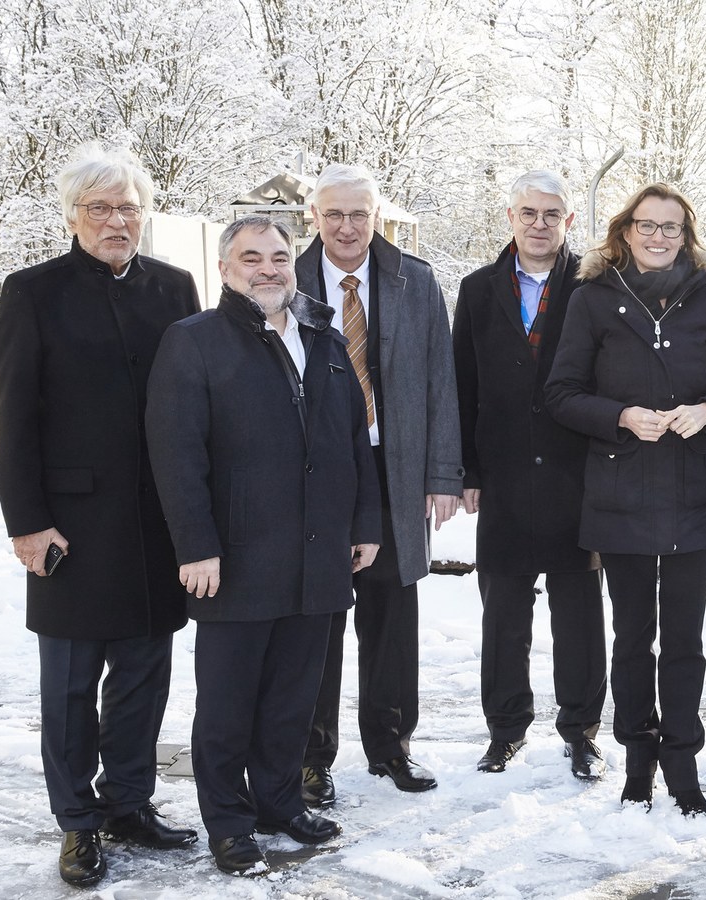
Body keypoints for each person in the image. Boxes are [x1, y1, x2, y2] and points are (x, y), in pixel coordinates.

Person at [0, 143, 199, 888]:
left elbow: (192, 401)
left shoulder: (176, 289)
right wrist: (27, 523)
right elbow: (12, 420)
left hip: (154, 526)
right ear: (73, 215)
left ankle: (129, 803)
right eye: (101, 208)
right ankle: (77, 823)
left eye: (129, 208)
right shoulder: (33, 292)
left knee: (145, 676)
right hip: (70, 530)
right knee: (72, 687)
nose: (117, 221)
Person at [146, 215, 381, 876]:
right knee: (228, 704)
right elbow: (175, 454)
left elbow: (350, 441)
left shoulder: (325, 338)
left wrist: (364, 523)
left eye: (279, 256)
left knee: (292, 696)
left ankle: (279, 801)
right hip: (235, 559)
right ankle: (230, 822)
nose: (269, 268)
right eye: (252, 257)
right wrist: (196, 546)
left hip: (317, 555)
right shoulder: (193, 342)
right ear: (225, 269)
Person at [545, 183, 706, 816]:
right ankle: (637, 759)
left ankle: (683, 760)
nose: (658, 237)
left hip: (693, 492)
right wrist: (621, 417)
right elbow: (561, 393)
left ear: (687, 237)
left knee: (684, 639)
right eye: (647, 225)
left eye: (671, 227)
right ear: (625, 232)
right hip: (620, 497)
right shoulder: (591, 300)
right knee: (632, 638)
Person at [294, 164, 464, 801]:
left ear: (376, 217)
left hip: (393, 470)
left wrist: (443, 473)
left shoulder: (414, 281)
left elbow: (441, 382)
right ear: (315, 217)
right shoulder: (289, 275)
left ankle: (391, 747)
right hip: (315, 476)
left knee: (392, 618)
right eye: (333, 214)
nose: (346, 227)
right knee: (318, 619)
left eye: (358, 214)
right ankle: (311, 756)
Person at [452, 170, 608, 779]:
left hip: (578, 475)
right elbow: (462, 384)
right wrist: (466, 467)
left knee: (579, 614)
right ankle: (506, 728)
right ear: (510, 218)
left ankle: (581, 731)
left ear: (569, 221)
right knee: (504, 613)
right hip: (506, 477)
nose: (539, 224)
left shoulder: (595, 285)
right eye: (528, 213)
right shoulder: (477, 289)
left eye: (552, 214)